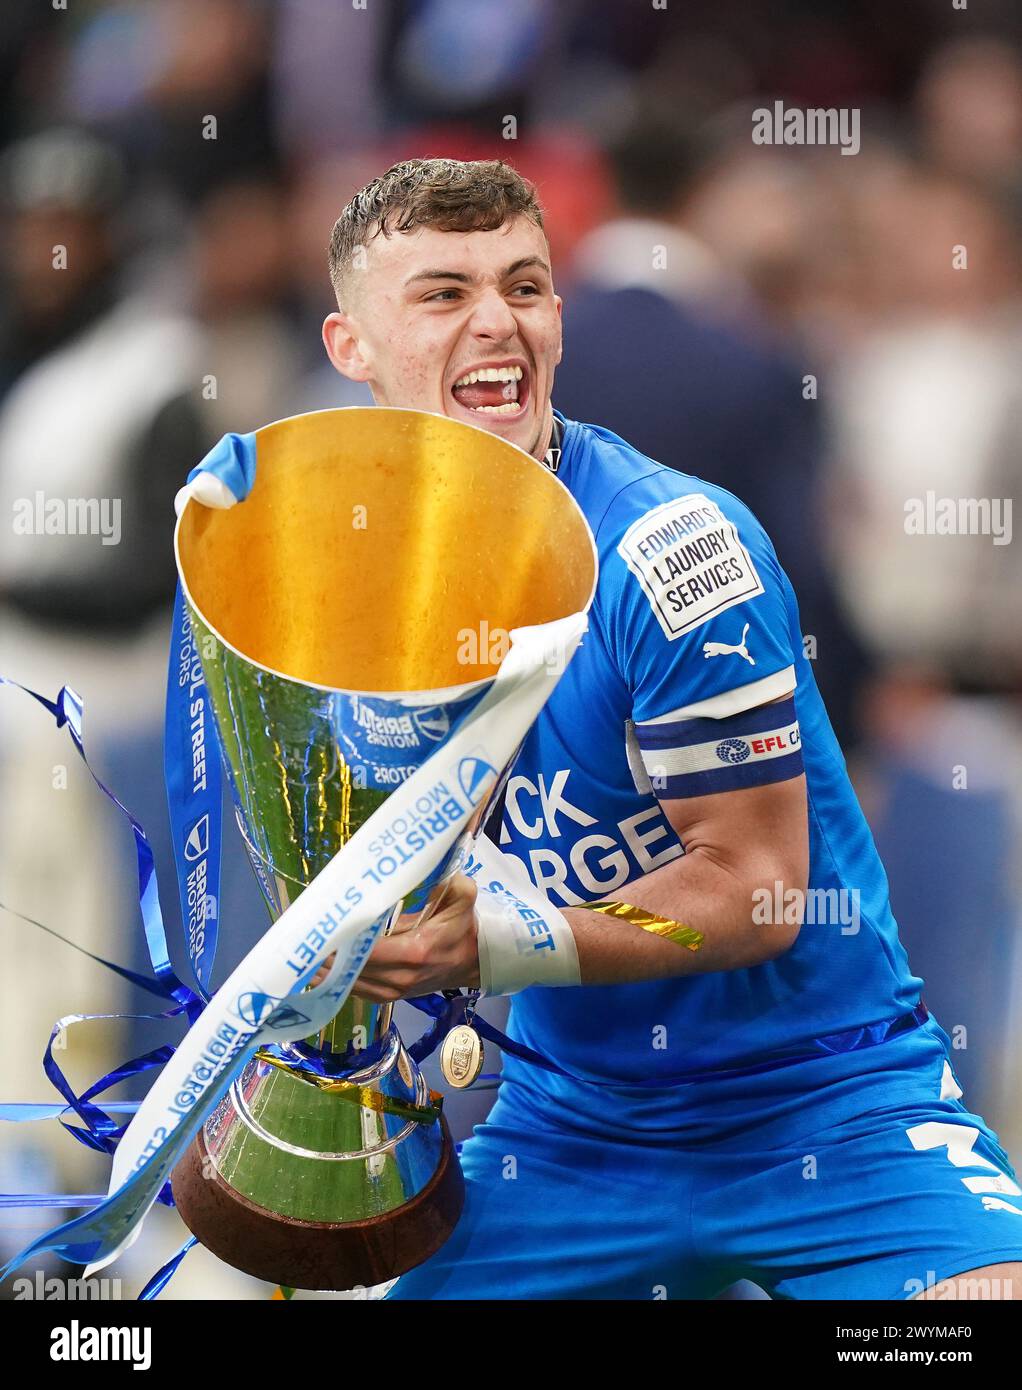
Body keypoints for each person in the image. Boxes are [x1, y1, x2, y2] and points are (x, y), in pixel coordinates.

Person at [189, 158, 1022, 1300]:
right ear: (349, 348)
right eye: (442, 294)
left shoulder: (675, 552)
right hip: (570, 1131)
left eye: (523, 287)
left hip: (828, 1109)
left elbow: (755, 886)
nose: (497, 321)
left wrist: (491, 944)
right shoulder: (342, 583)